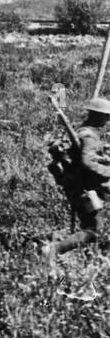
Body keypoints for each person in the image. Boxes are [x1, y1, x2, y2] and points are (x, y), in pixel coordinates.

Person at [47, 97, 110, 258]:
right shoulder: (89, 136)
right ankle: (53, 250)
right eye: (106, 116)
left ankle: (50, 242)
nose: (108, 120)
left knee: (92, 227)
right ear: (97, 115)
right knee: (92, 231)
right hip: (85, 189)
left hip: (79, 187)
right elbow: (87, 163)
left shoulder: (83, 130)